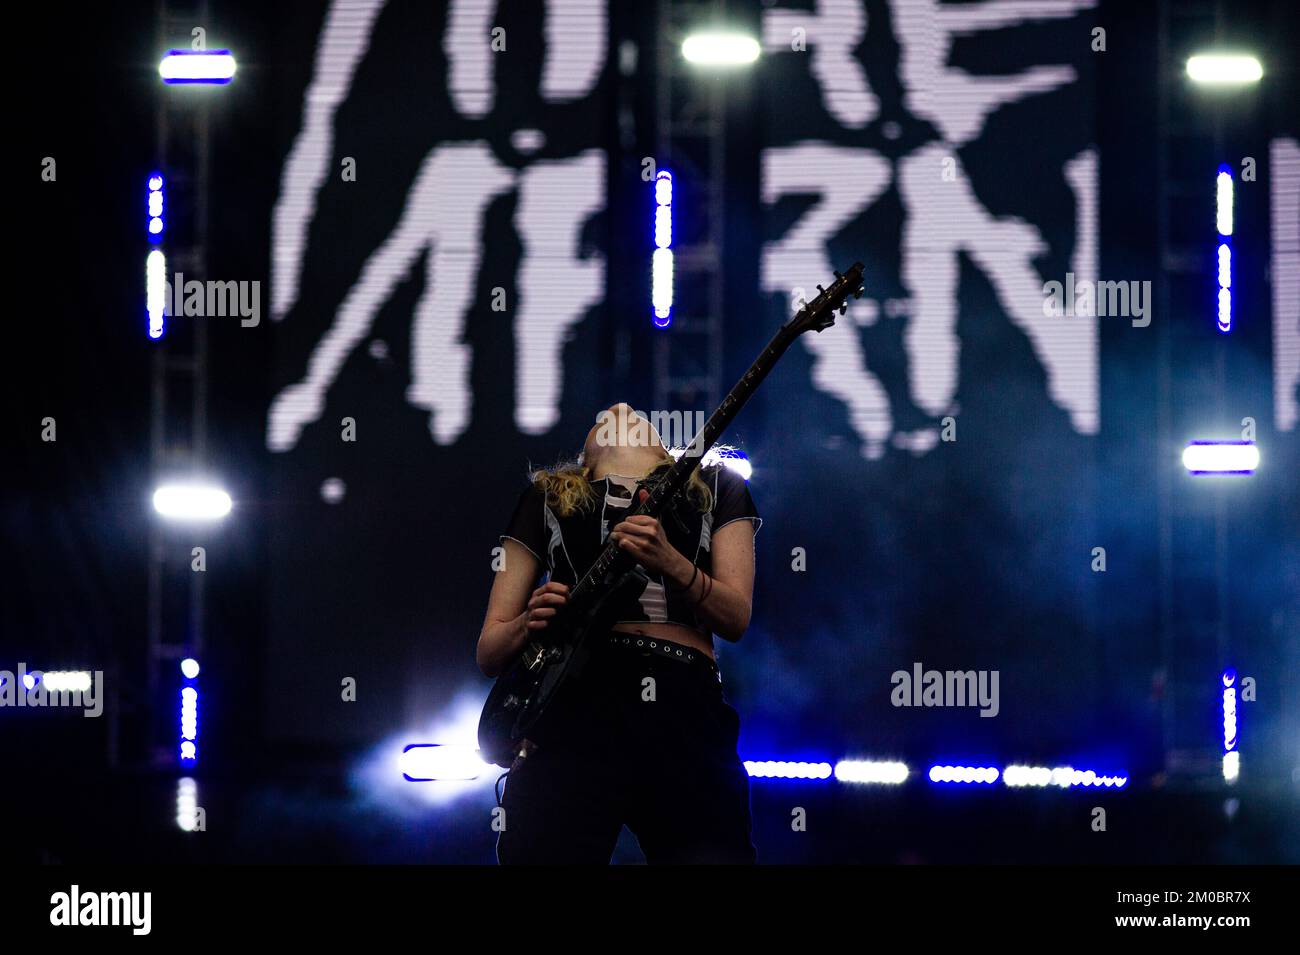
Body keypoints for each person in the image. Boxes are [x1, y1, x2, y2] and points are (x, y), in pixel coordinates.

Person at [477, 402, 761, 864]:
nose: (620, 409)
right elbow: (490, 650)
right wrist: (528, 622)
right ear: (583, 461)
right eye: (602, 416)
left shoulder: (717, 486)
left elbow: (736, 618)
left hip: (683, 703)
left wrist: (671, 562)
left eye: (634, 414)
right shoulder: (545, 498)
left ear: (667, 453)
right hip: (573, 700)